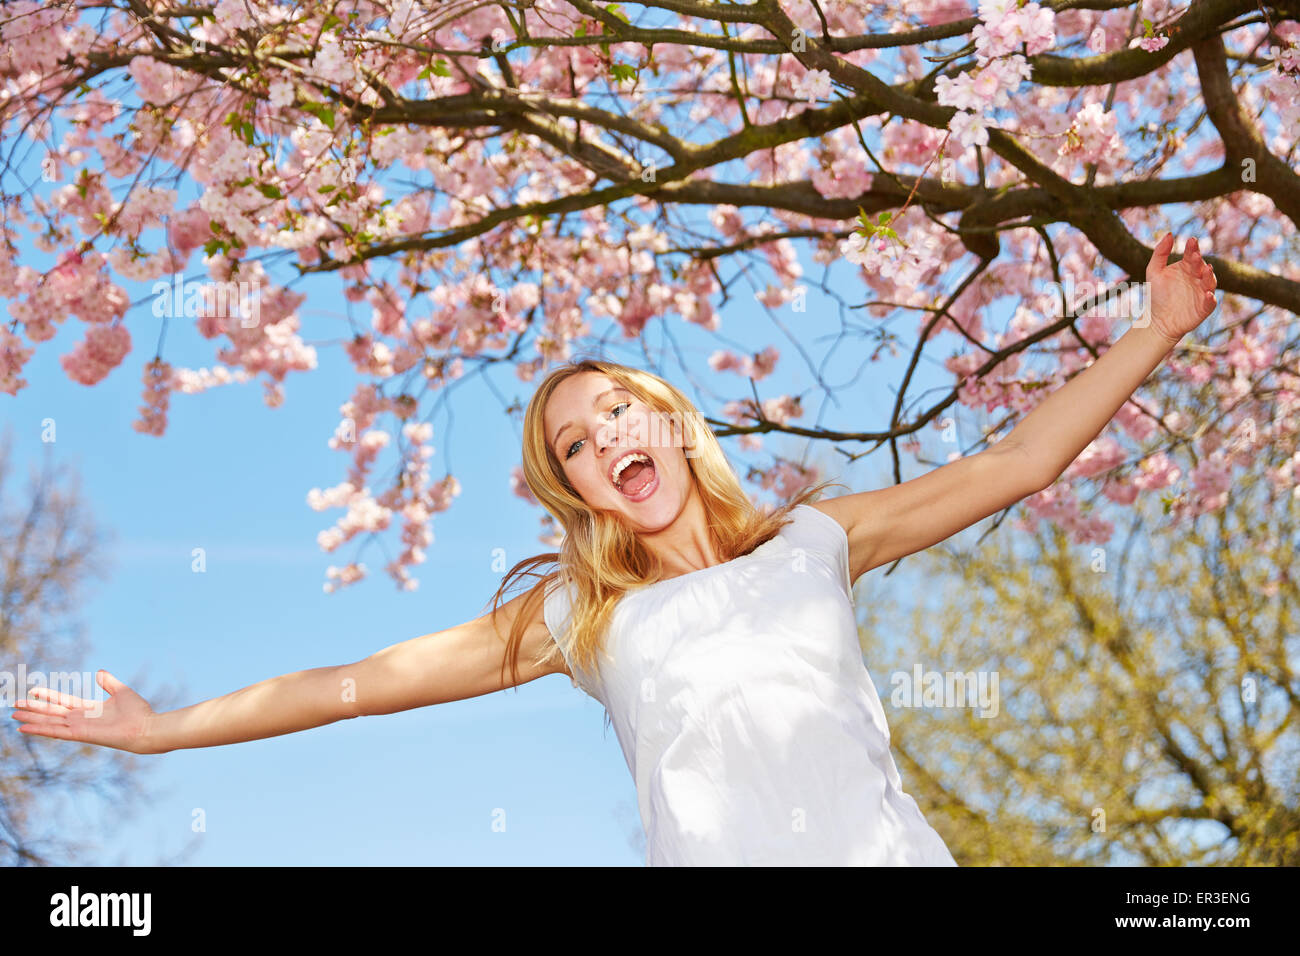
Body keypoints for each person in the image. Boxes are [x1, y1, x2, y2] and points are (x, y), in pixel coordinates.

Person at [12, 233, 1218, 865]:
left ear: (668, 421)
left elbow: (1012, 466)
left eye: (613, 414)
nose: (602, 443)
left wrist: (1154, 334)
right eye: (575, 448)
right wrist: (165, 726)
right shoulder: (584, 616)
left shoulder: (813, 537)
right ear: (577, 490)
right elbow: (357, 686)